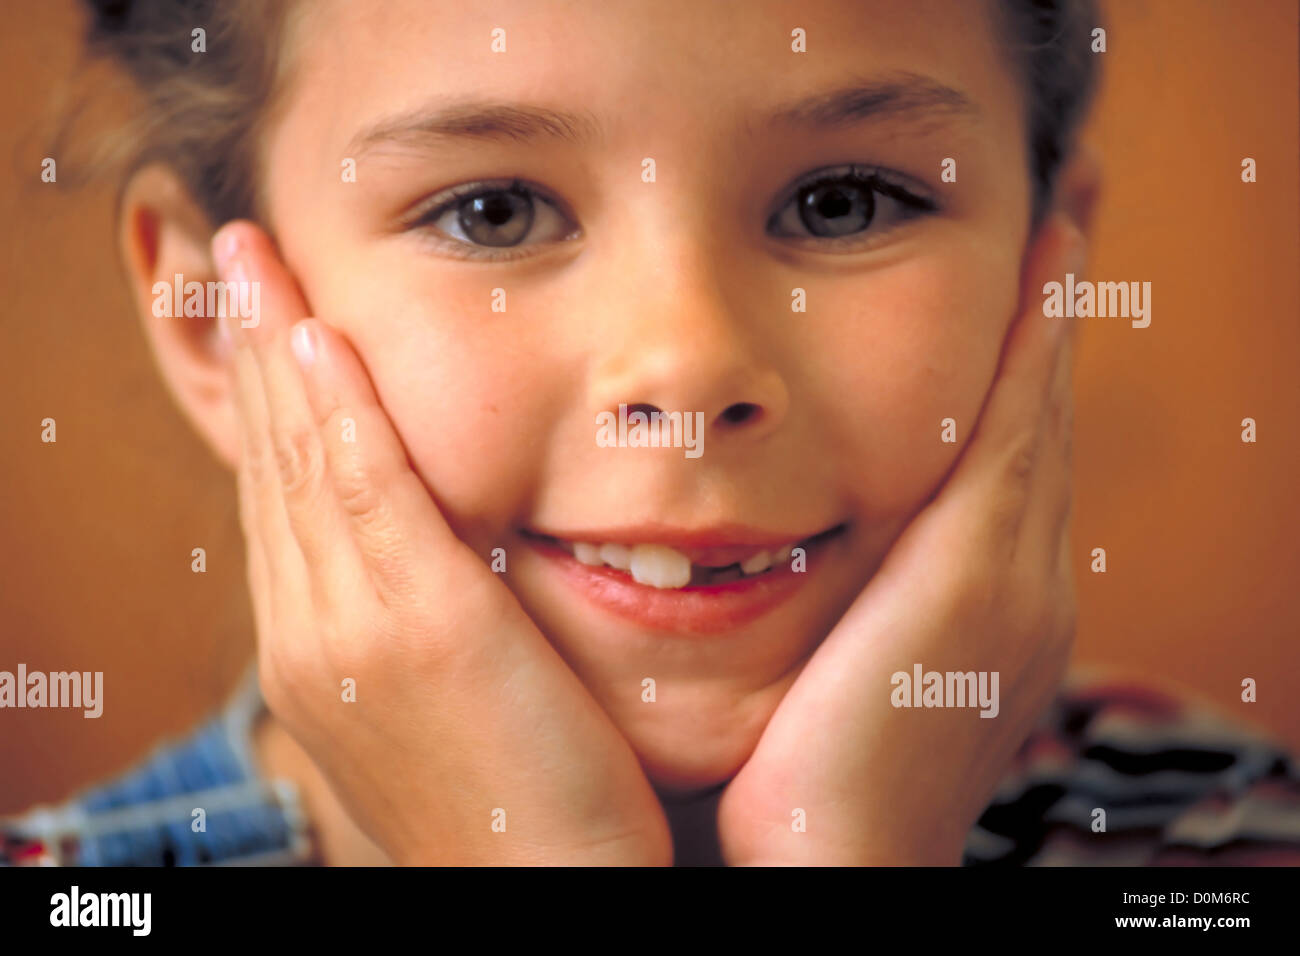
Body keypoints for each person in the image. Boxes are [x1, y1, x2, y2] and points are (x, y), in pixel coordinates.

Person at [6, 0, 1297, 866]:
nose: (686, 368)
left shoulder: (1229, 839)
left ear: (1045, 269)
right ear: (208, 319)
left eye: (844, 203)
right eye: (496, 213)